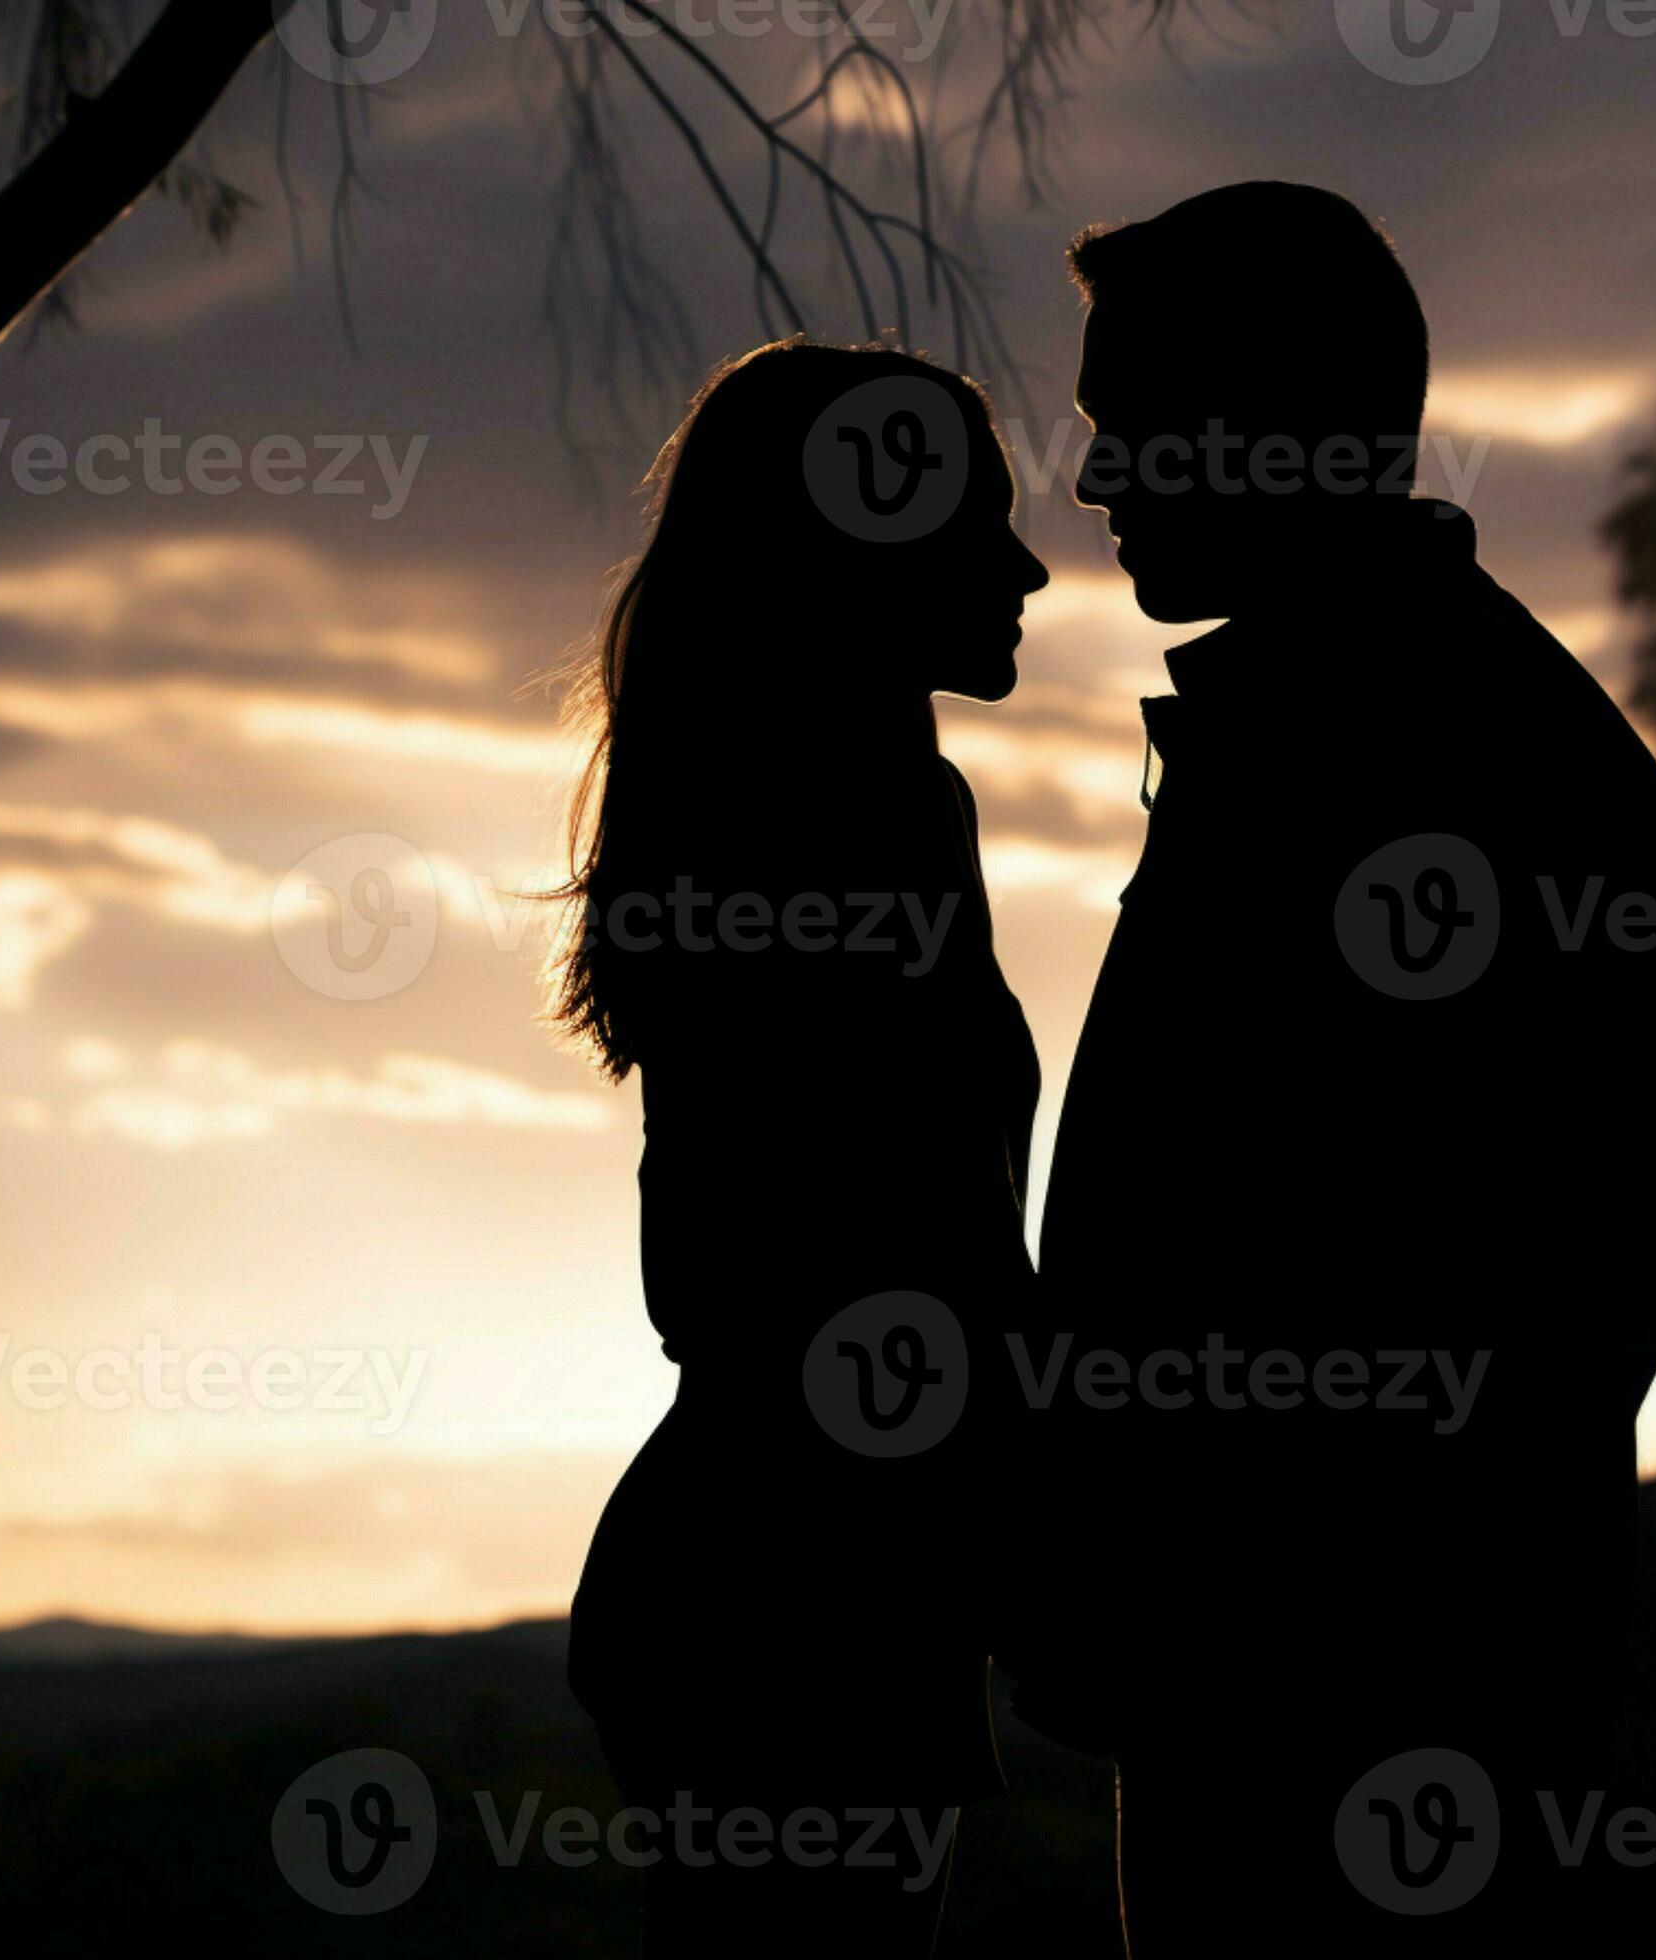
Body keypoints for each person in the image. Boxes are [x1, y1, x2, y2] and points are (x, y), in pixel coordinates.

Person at [1013, 181, 1656, 1950]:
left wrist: (1255, 1591)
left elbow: (1605, 1245)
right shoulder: (1315, 726)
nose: (1094, 482)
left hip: (1360, 1719)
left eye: (1134, 423)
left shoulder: (1471, 756)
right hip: (1253, 1681)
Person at [555, 339, 1049, 1958]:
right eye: (980, 523)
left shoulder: (794, 803)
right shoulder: (866, 817)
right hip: (813, 1579)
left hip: (774, 1559)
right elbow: (921, 1248)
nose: (1030, 567)